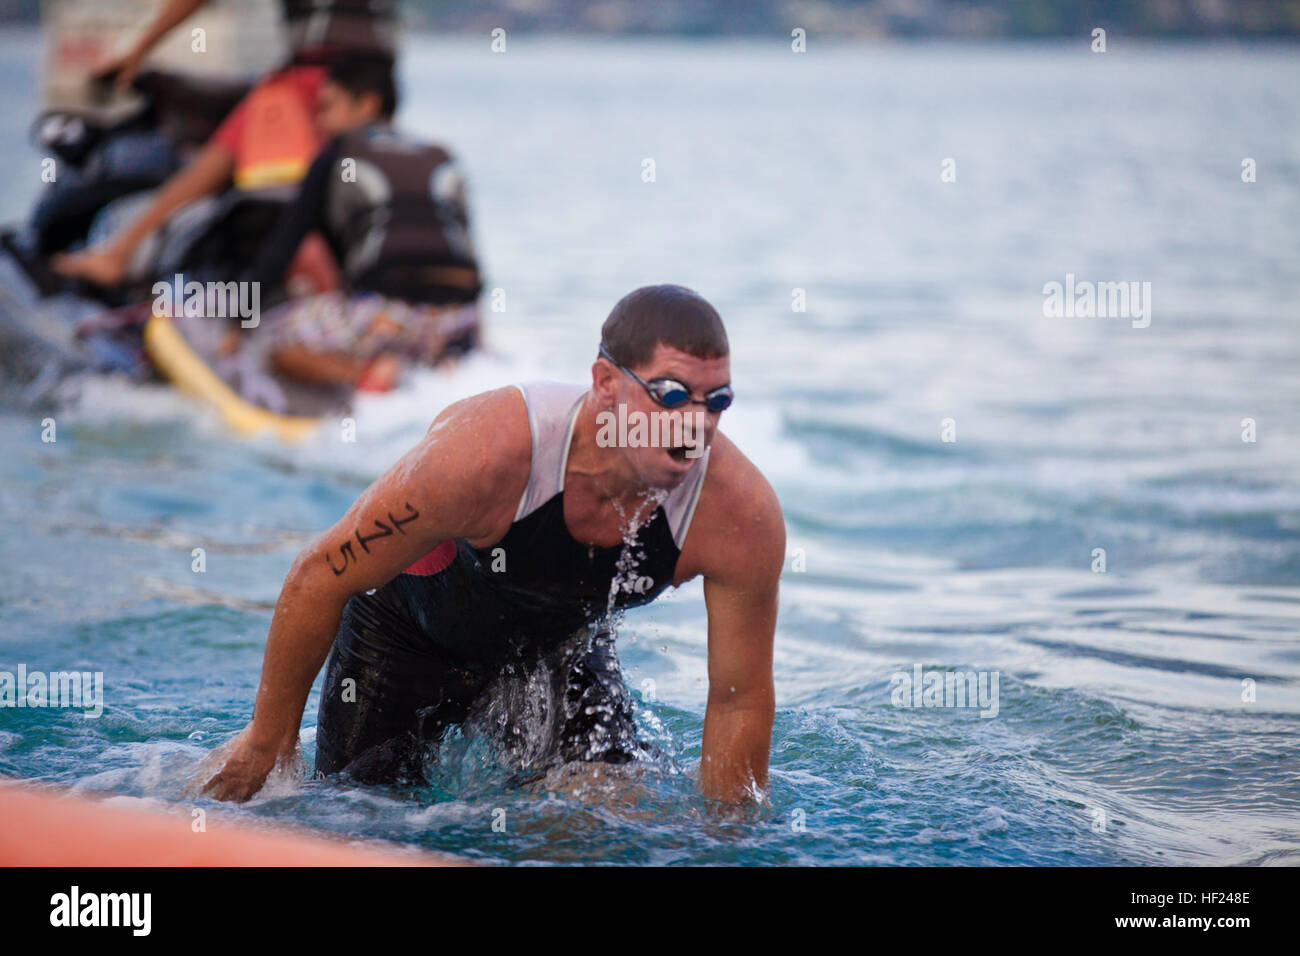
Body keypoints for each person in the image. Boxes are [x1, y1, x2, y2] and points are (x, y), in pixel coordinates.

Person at [197, 284, 783, 805]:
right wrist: (265, 741)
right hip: (406, 639)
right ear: (605, 384)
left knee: (602, 808)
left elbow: (739, 699)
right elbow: (320, 573)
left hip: (557, 651)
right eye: (673, 395)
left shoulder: (737, 515)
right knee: (357, 822)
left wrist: (725, 841)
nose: (697, 425)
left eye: (719, 402)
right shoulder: (489, 456)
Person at [51, 0, 400, 291]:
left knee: (240, 182)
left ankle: (120, 254)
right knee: (344, 194)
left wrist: (139, 50)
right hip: (378, 87)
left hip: (312, 82)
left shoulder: (308, 95)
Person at [240, 56, 483, 392]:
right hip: (463, 320)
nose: (321, 121)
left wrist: (237, 321)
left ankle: (371, 375)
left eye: (329, 107)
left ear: (368, 104)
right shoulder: (440, 155)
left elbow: (281, 248)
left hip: (385, 317)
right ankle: (441, 361)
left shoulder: (337, 154)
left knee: (271, 340)